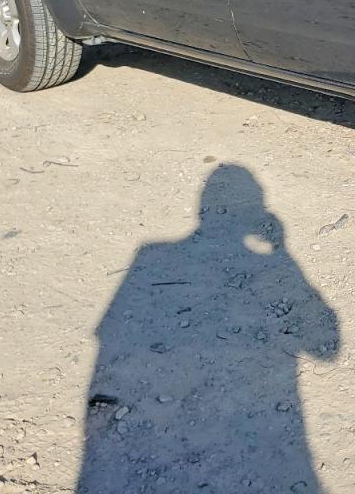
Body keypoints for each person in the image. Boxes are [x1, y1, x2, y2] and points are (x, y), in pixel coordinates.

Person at [76, 164, 338, 493]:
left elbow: (108, 336)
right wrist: (282, 253)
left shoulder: (151, 256)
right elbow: (327, 347)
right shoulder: (153, 256)